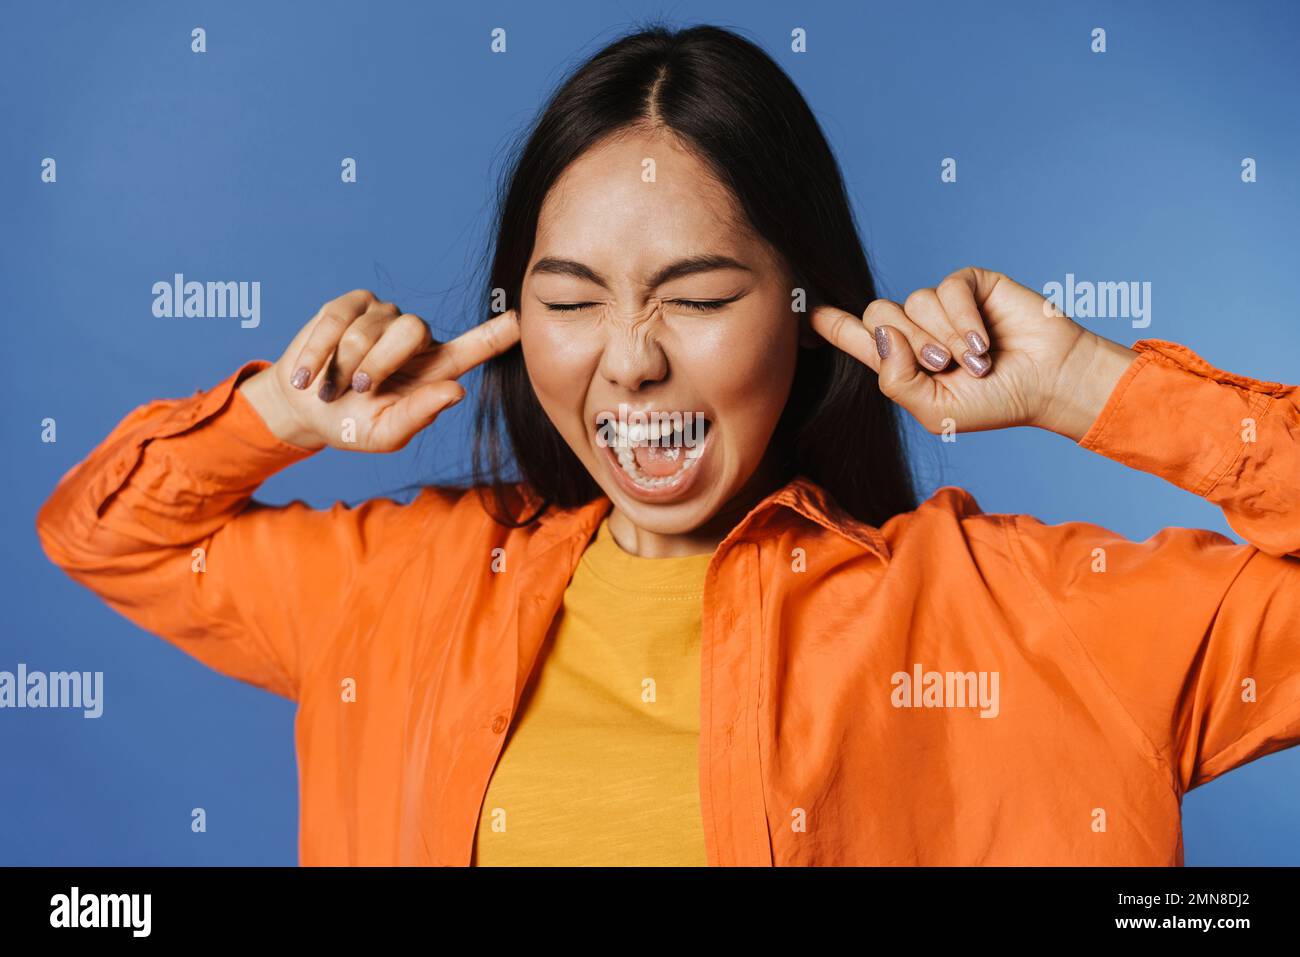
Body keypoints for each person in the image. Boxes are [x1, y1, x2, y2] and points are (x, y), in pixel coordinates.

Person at [36, 24, 1300, 866]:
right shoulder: (400, 589)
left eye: (695, 299)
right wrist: (286, 414)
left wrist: (1090, 383)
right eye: (571, 300)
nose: (629, 358)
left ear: (810, 315)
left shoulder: (1016, 621)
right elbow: (105, 530)